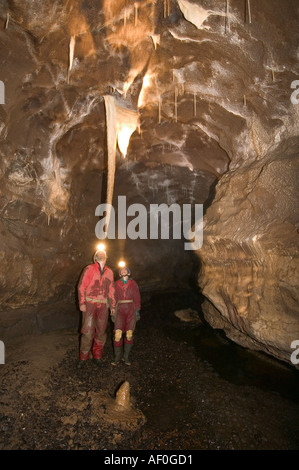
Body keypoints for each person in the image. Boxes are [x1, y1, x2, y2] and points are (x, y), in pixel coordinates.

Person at [77, 246, 116, 367]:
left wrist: (113, 305)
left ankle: (97, 356)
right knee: (87, 331)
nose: (101, 254)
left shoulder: (109, 272)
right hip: (90, 303)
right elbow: (81, 286)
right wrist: (82, 303)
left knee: (101, 331)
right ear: (95, 257)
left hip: (104, 304)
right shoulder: (89, 268)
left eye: (103, 252)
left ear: (106, 257)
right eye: (99, 253)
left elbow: (111, 290)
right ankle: (83, 358)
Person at [111, 264, 141, 366]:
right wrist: (112, 310)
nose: (123, 271)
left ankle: (126, 357)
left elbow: (137, 296)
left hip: (131, 309)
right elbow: (113, 297)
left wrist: (137, 310)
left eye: (125, 270)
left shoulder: (133, 283)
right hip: (120, 309)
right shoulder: (116, 284)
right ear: (120, 273)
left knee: (129, 334)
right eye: (121, 270)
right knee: (118, 334)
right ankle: (117, 358)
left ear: (128, 272)